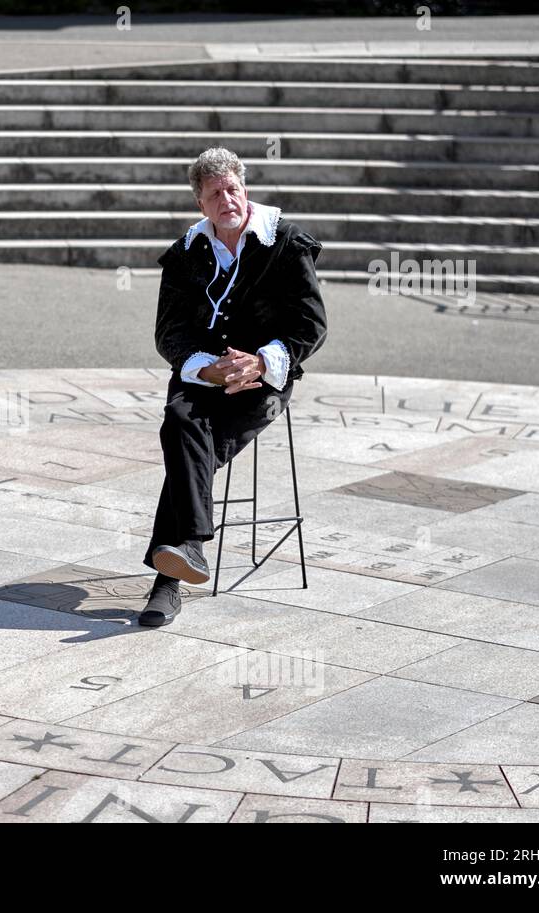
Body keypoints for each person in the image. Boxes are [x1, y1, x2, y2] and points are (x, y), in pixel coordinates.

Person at [138, 147, 327, 627]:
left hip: (263, 380)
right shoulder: (185, 255)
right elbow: (169, 332)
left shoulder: (285, 243)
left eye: (234, 189)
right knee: (180, 422)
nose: (227, 200)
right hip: (204, 374)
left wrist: (262, 363)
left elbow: (312, 324)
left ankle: (171, 577)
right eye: (215, 194)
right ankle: (190, 549)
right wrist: (207, 369)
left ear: (246, 190)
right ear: (201, 204)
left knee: (189, 452)